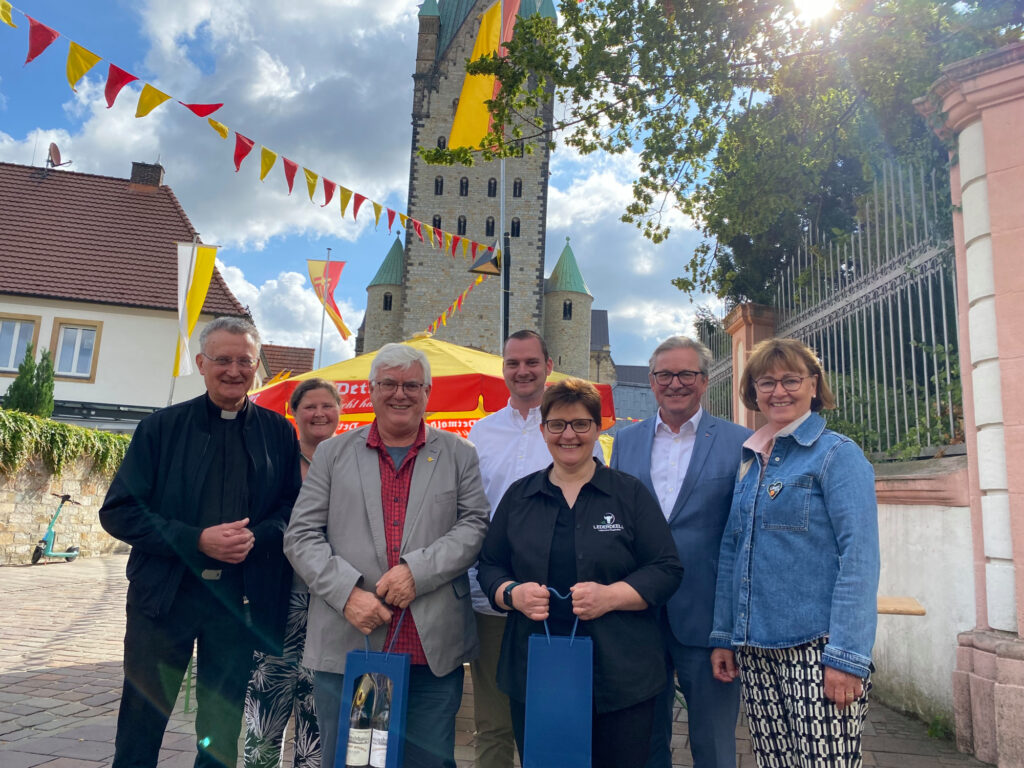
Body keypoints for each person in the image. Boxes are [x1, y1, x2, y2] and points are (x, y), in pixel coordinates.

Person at [100, 316, 301, 768]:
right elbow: (119, 511)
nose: (234, 370)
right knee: (143, 716)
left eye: (244, 361)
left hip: (239, 601)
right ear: (201, 363)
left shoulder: (279, 432)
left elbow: (293, 510)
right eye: (222, 360)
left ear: (257, 367)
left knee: (221, 723)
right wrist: (197, 540)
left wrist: (255, 536)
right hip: (165, 596)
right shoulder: (160, 428)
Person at [284, 342, 489, 768]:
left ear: (427, 391)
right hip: (349, 641)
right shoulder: (333, 453)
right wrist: (347, 594)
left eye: (412, 384)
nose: (401, 394)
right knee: (356, 761)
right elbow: (301, 535)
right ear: (372, 390)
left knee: (428, 761)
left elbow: (474, 527)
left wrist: (418, 571)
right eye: (390, 384)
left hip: (430, 647)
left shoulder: (459, 454)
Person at [478, 378, 683, 768]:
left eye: (580, 424)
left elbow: (666, 569)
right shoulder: (520, 497)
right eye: (557, 424)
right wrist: (511, 594)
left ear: (599, 427)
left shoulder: (629, 494)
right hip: (538, 670)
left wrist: (611, 596)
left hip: (622, 674)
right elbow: (490, 565)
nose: (568, 434)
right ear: (543, 431)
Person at [710, 338, 880, 768]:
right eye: (766, 382)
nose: (778, 391)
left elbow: (859, 559)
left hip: (816, 648)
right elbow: (733, 552)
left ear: (813, 385)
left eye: (791, 380)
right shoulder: (750, 459)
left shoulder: (837, 455)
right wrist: (725, 635)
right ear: (752, 390)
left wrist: (847, 656)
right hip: (755, 647)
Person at [610, 336, 749, 768]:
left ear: (705, 381)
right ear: (651, 382)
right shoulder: (624, 441)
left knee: (713, 744)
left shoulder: (740, 442)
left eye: (686, 373)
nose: (675, 383)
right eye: (665, 374)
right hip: (638, 617)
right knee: (642, 741)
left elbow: (743, 538)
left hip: (708, 621)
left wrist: (731, 626)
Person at [466, 330, 603, 768]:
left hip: (559, 599)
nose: (522, 371)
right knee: (493, 723)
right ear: (502, 368)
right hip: (496, 594)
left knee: (554, 718)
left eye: (531, 362)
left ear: (549, 364)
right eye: (512, 363)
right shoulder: (481, 433)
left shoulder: (575, 430)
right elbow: (469, 510)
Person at [244, 378, 341, 768]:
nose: (319, 413)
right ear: (295, 413)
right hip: (280, 599)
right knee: (267, 709)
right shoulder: (277, 462)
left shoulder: (350, 460)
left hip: (332, 604)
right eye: (309, 406)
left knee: (318, 714)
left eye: (326, 406)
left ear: (339, 412)